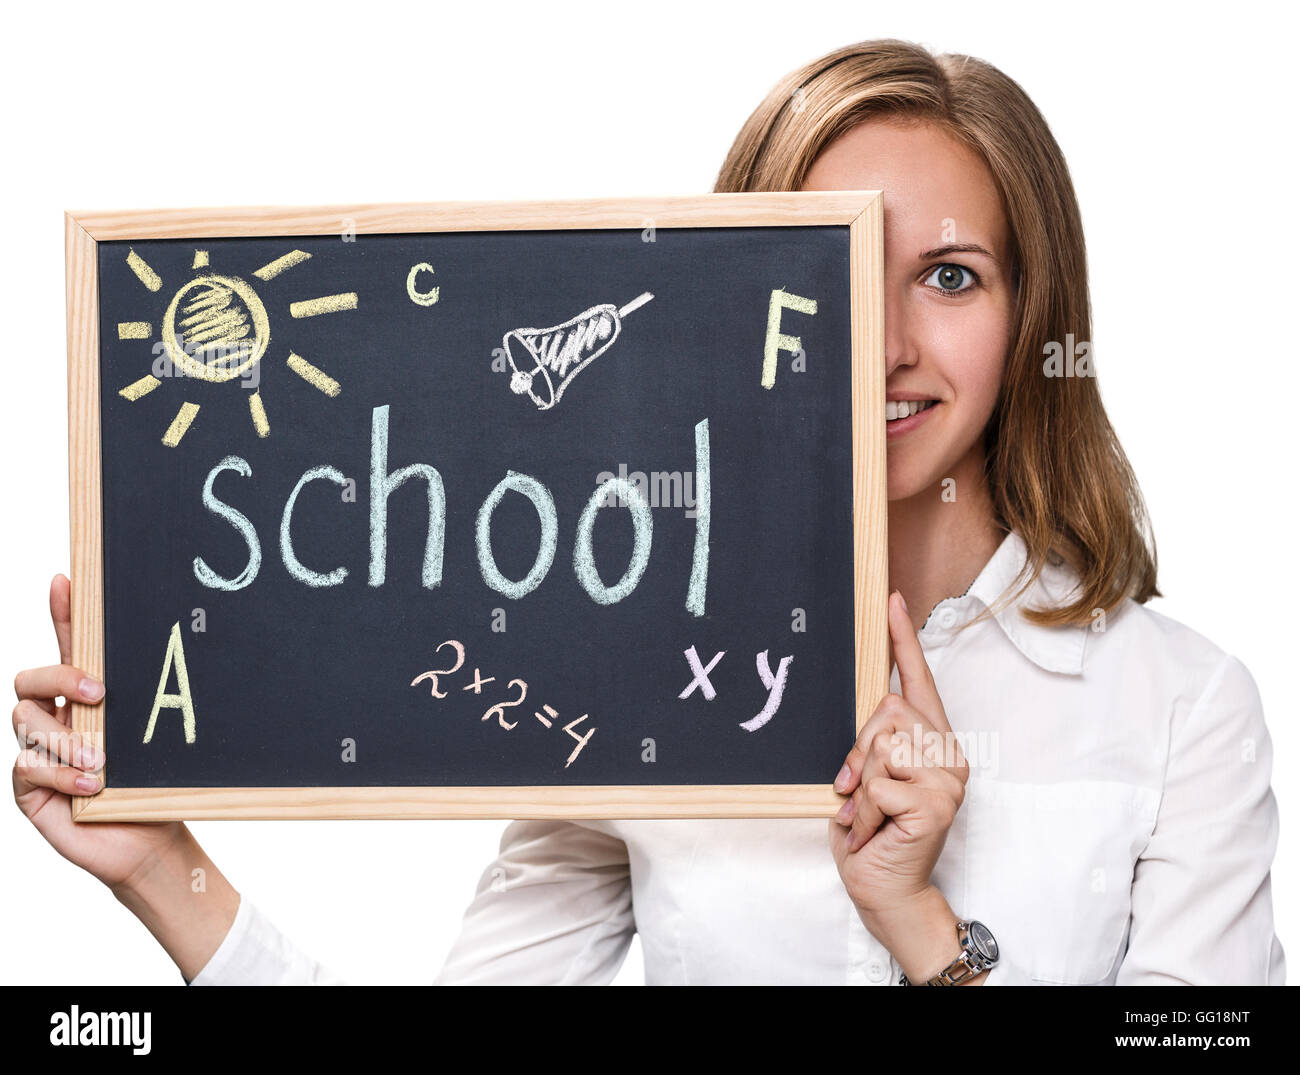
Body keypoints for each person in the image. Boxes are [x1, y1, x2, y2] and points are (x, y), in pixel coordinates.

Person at [13, 39, 1285, 986]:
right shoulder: (623, 686)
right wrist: (163, 868)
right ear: (736, 295)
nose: (887, 344)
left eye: (949, 276)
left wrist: (924, 933)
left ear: (1032, 316)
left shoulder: (1182, 710)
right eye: (835, 269)